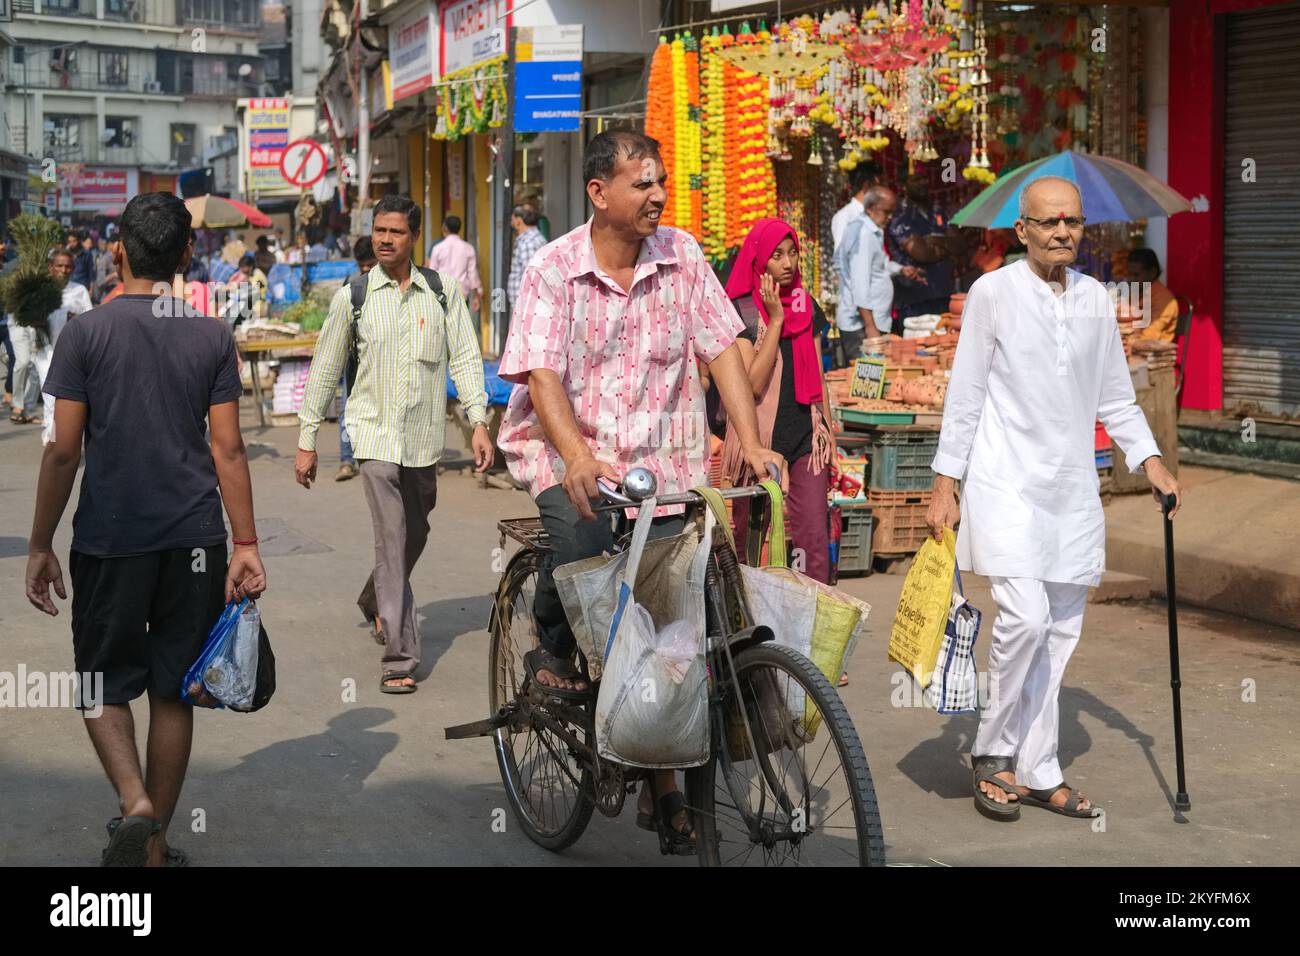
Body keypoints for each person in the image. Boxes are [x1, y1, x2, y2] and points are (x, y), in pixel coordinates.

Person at [496, 129, 787, 850]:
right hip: (573, 452)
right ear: (599, 193)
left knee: (681, 609)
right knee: (584, 538)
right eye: (641, 183)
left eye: (660, 182)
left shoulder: (682, 255)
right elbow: (543, 377)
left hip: (667, 465)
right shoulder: (553, 270)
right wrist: (576, 455)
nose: (657, 195)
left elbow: (723, 348)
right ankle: (554, 654)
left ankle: (666, 781)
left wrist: (749, 440)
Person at [927, 176, 1181, 822]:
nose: (1062, 231)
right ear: (1023, 232)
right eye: (1048, 223)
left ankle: (1038, 766)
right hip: (1004, 482)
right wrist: (944, 483)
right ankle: (991, 752)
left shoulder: (1096, 300)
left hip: (1070, 490)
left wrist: (1150, 461)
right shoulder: (993, 294)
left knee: (1061, 632)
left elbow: (1117, 397)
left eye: (1072, 221)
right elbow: (965, 394)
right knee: (1026, 618)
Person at [25, 190, 266, 867]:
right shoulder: (211, 336)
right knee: (173, 689)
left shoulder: (85, 333)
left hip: (110, 538)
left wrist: (41, 545)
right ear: (188, 254)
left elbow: (64, 450)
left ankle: (133, 801)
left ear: (118, 250)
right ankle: (155, 850)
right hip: (194, 540)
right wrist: (245, 544)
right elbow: (228, 449)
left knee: (102, 683)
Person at [295, 194, 493, 693]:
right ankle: (400, 657)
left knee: (414, 531)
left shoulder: (444, 293)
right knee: (390, 536)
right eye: (379, 231)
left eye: (395, 232)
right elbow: (324, 369)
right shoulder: (353, 297)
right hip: (374, 435)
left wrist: (480, 421)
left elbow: (466, 359)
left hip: (423, 439)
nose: (385, 239)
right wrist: (307, 438)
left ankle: (374, 598)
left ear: (414, 237)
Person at [720, 218, 846, 685]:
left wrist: (828, 430)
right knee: (756, 537)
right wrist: (773, 320)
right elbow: (750, 383)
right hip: (760, 441)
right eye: (778, 255)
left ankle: (812, 645)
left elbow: (820, 378)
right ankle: (757, 644)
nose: (789, 264)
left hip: (804, 436)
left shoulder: (807, 305)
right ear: (758, 258)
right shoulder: (737, 312)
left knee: (812, 535)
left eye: (793, 253)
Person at [835, 185, 920, 367]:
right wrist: (870, 327)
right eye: (886, 212)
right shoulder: (863, 234)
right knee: (866, 382)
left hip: (871, 321)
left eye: (892, 213)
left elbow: (880, 265)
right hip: (862, 326)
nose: (890, 217)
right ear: (871, 208)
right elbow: (860, 283)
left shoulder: (872, 229)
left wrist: (900, 269)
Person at [9, 249, 92, 427]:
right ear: (51, 267)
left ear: (73, 268)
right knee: (50, 394)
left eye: (68, 266)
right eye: (59, 266)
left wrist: (76, 319)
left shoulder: (80, 291)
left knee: (65, 396)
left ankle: (59, 434)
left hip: (71, 354)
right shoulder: (40, 291)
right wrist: (35, 320)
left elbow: (90, 319)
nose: (64, 270)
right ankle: (50, 434)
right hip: (44, 351)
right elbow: (24, 317)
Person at [887, 173, 953, 330]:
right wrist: (947, 248)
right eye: (917, 179)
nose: (924, 181)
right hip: (915, 299)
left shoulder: (937, 211)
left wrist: (935, 241)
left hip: (942, 294)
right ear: (903, 185)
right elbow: (921, 254)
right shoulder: (900, 216)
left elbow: (961, 244)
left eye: (924, 177)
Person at [334, 236, 376, 482]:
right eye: (362, 265)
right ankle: (347, 461)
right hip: (354, 358)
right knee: (347, 411)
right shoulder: (350, 285)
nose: (365, 270)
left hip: (381, 362)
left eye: (370, 265)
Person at [425, 215, 482, 314]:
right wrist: (476, 296)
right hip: (461, 294)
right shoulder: (468, 248)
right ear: (459, 229)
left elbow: (431, 273)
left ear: (445, 228)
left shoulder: (438, 248)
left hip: (441, 293)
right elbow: (472, 274)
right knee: (459, 326)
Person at [1126, 248, 1180, 343]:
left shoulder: (1165, 300)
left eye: (1136, 275)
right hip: (1130, 350)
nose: (1130, 279)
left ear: (1152, 273)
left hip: (1152, 354)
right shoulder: (1137, 292)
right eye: (1129, 274)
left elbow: (1148, 337)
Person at [830, 161, 882, 251]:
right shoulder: (846, 216)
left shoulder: (876, 215)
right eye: (880, 186)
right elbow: (841, 257)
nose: (883, 192)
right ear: (867, 185)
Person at [506, 204, 547, 315]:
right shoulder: (533, 239)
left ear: (519, 221)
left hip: (526, 304)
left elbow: (531, 276)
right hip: (526, 303)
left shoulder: (528, 243)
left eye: (512, 219)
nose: (511, 222)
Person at [1, 233, 16, 408]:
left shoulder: (12, 263)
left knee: (15, 357)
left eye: (3, 242)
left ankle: (9, 392)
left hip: (9, 321)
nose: (2, 245)